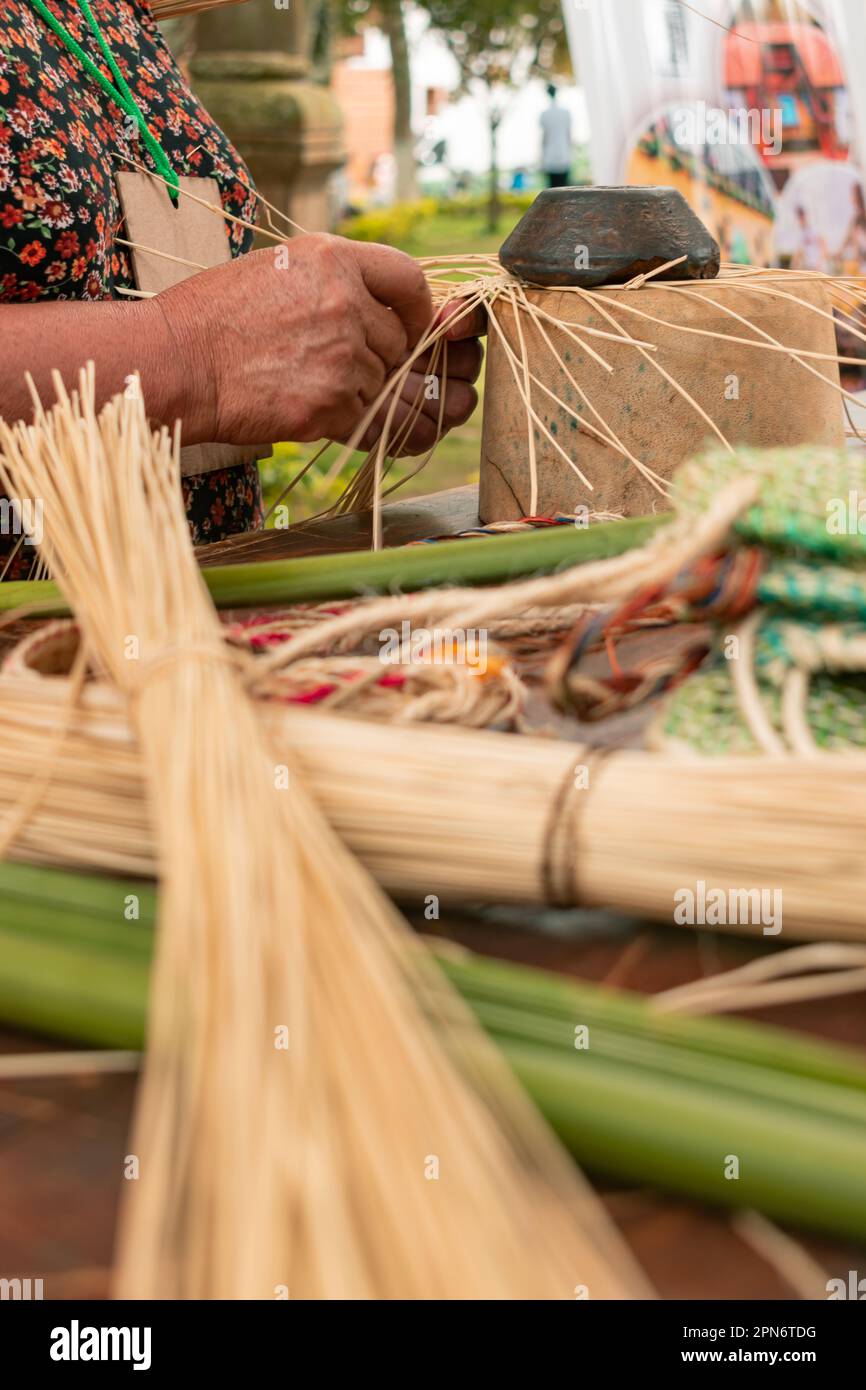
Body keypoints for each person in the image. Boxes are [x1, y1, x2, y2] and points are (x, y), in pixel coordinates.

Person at [0, 1, 483, 574]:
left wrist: (336, 356)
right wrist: (194, 356)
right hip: (35, 630)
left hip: (209, 609)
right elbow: (187, 345)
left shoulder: (105, 11)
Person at [540, 84, 572, 189]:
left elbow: (544, 138)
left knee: (553, 192)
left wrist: (542, 158)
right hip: (564, 155)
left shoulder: (544, 114)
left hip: (550, 157)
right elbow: (568, 135)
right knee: (565, 190)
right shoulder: (566, 113)